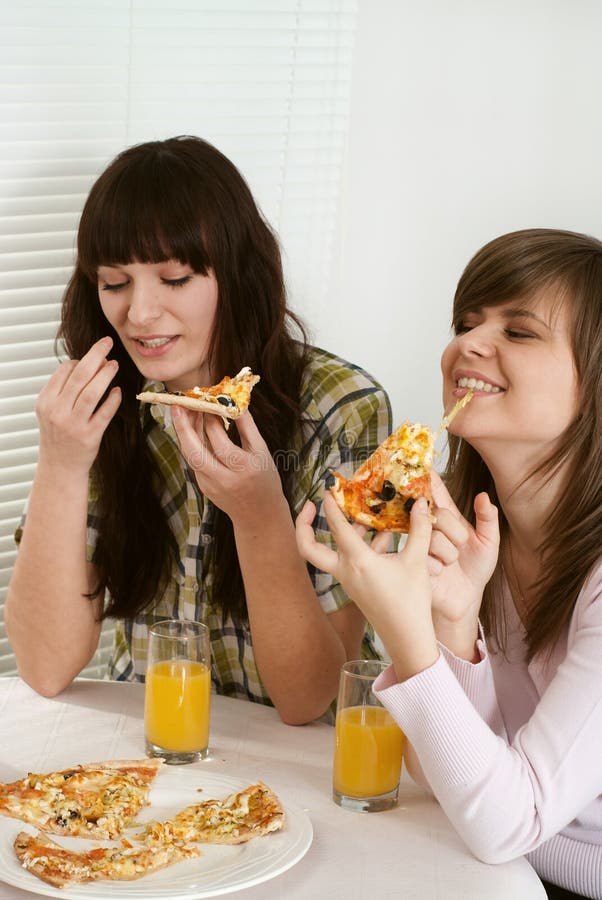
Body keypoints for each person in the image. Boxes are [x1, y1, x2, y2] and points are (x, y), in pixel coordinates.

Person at [5, 135, 391, 725]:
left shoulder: (346, 407)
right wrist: (61, 464)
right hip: (150, 741)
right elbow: (45, 666)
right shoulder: (99, 402)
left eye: (176, 279)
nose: (140, 314)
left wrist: (260, 514)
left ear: (236, 274)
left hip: (302, 757)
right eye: (115, 283)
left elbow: (309, 698)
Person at [296, 228, 602, 899]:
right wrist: (455, 629)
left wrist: (404, 631)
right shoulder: (473, 539)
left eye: (518, 331)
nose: (470, 343)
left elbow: (505, 822)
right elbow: (440, 777)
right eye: (466, 322)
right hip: (494, 871)